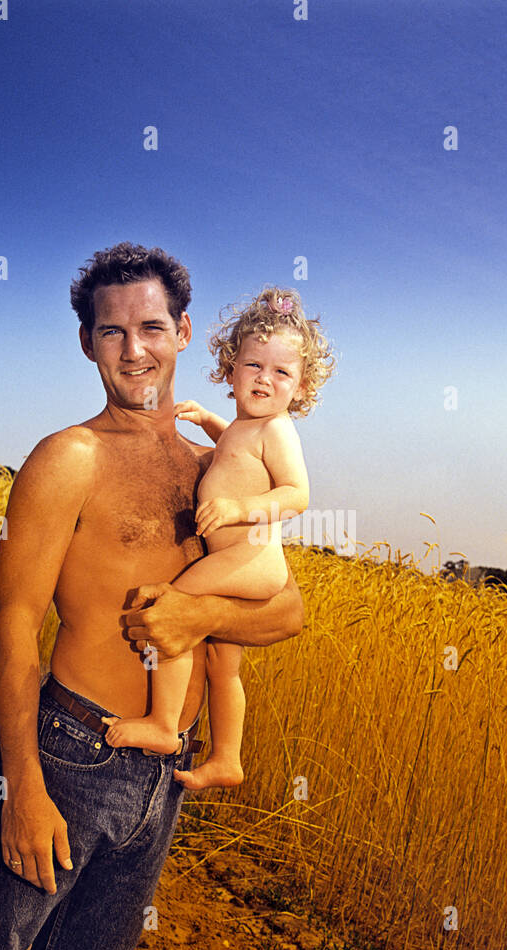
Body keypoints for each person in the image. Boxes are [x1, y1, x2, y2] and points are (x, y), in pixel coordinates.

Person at [0, 242, 305, 950]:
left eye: (151, 326)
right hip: (69, 754)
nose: (133, 349)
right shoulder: (67, 458)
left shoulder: (219, 467)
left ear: (185, 332)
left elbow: (285, 610)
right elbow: (13, 624)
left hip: (160, 774)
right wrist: (23, 789)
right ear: (87, 342)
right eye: (110, 331)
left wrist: (189, 617)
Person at [103, 286, 333, 790]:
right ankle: (229, 758)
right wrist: (211, 422)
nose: (264, 379)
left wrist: (236, 508)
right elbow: (233, 450)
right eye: (253, 365)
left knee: (175, 607)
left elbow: (297, 494)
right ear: (230, 369)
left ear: (301, 387)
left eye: (281, 373)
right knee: (223, 666)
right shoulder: (243, 429)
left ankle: (163, 725)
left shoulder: (278, 430)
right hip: (242, 561)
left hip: (250, 559)